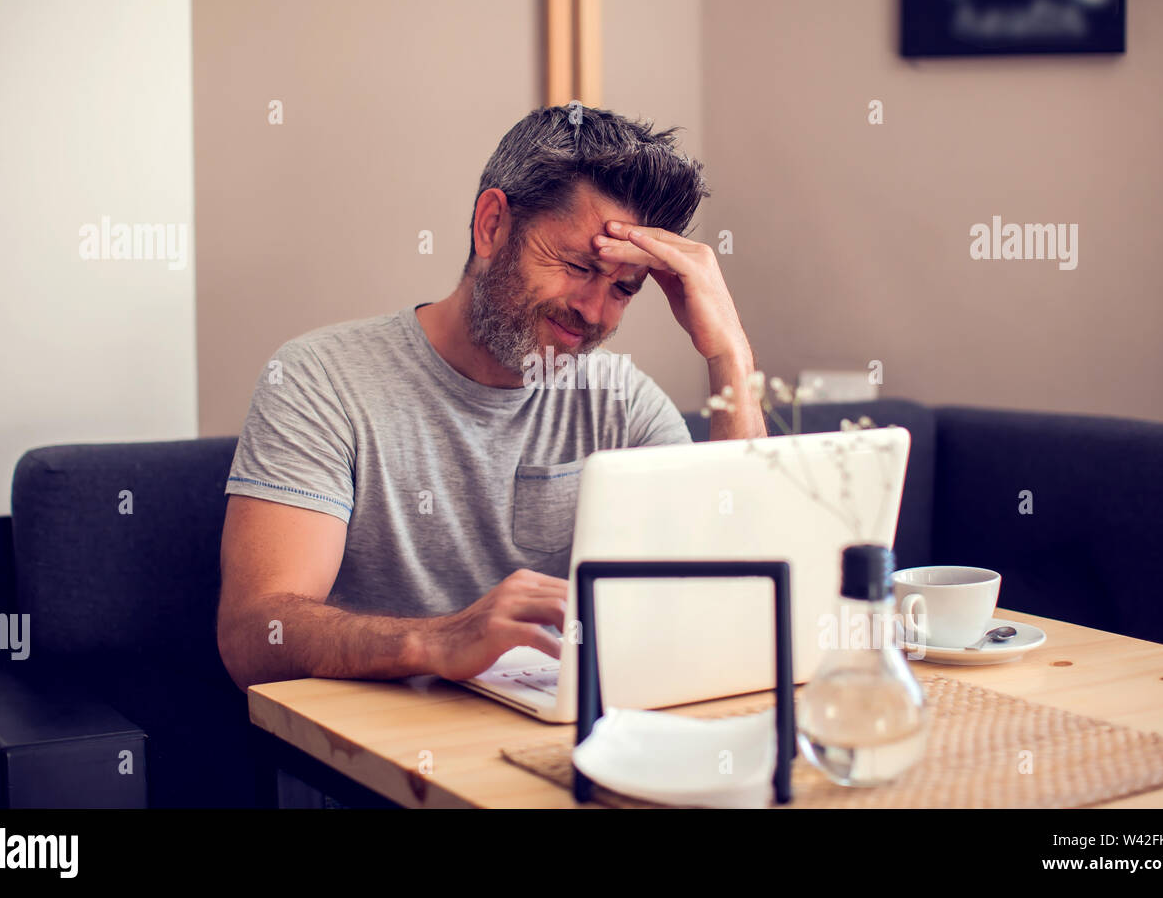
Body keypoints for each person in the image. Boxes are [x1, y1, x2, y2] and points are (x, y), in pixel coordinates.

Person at [217, 104, 765, 692]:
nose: (594, 311)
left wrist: (729, 354)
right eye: (578, 265)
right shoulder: (321, 380)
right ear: (491, 225)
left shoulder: (621, 402)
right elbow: (253, 635)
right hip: (365, 756)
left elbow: (744, 597)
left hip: (560, 737)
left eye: (624, 289)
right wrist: (437, 640)